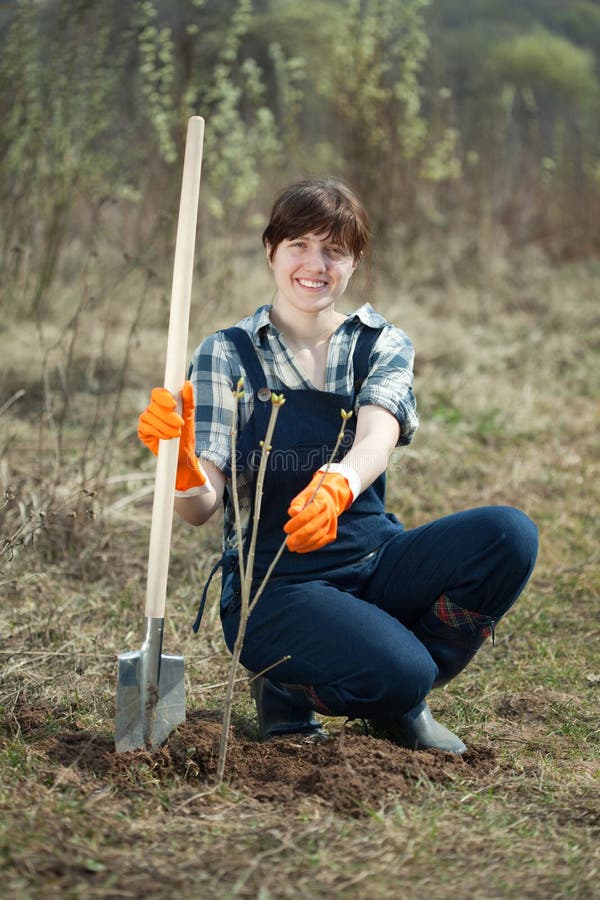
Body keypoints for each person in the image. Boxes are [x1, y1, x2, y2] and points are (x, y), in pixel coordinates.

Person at [138, 177, 538, 754]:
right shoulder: (225, 354)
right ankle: (306, 684)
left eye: (334, 249)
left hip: (374, 560)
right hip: (272, 588)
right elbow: (204, 509)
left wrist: (340, 483)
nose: (315, 264)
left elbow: (380, 433)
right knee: (400, 671)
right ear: (271, 251)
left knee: (509, 534)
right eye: (299, 244)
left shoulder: (379, 342)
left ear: (354, 262)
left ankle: (398, 688)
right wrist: (180, 470)